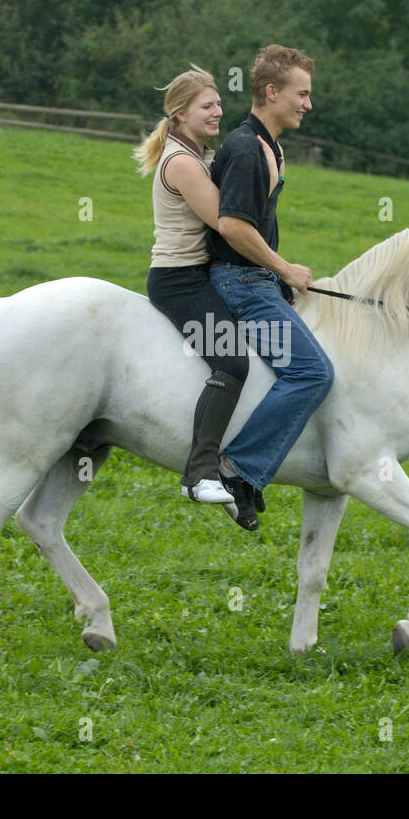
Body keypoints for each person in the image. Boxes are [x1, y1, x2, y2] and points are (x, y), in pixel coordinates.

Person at [206, 44, 334, 530]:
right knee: (312, 372)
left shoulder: (270, 146)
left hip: (256, 280)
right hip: (240, 283)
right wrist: (284, 269)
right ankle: (237, 468)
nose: (308, 104)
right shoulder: (244, 148)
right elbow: (233, 227)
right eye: (301, 94)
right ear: (271, 91)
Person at [135, 65, 252, 514]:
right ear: (181, 114)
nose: (218, 111)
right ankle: (201, 472)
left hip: (202, 275)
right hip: (179, 281)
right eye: (208, 105)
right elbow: (227, 220)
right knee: (232, 360)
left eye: (220, 102)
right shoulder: (183, 162)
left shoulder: (199, 154)